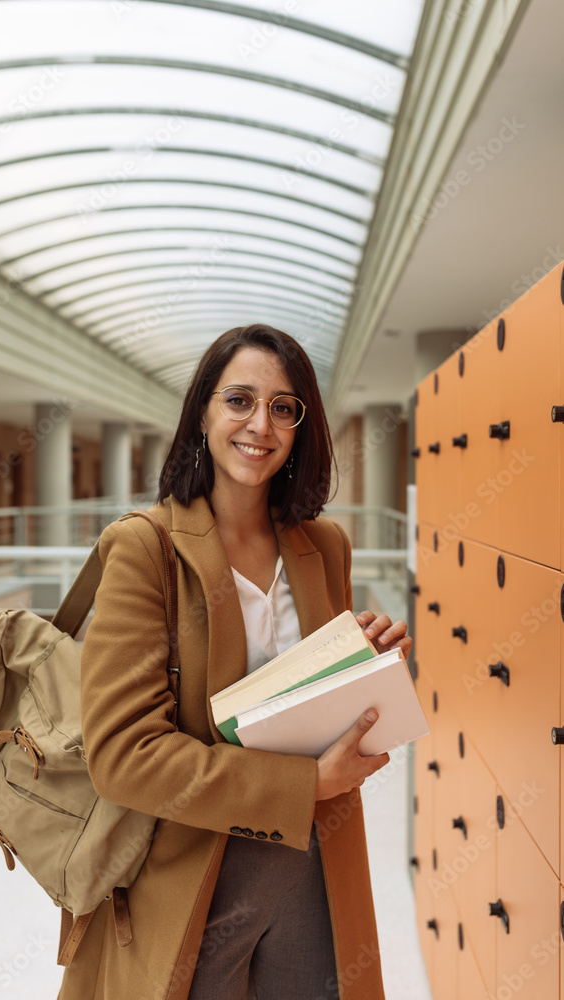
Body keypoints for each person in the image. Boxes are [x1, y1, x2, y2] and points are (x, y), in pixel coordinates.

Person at [57, 323, 412, 1000]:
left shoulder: (323, 545)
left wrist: (365, 667)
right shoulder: (144, 548)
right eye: (239, 400)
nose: (261, 425)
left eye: (283, 407)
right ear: (202, 412)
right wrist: (304, 785)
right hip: (188, 875)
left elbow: (313, 707)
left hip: (313, 866)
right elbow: (123, 756)